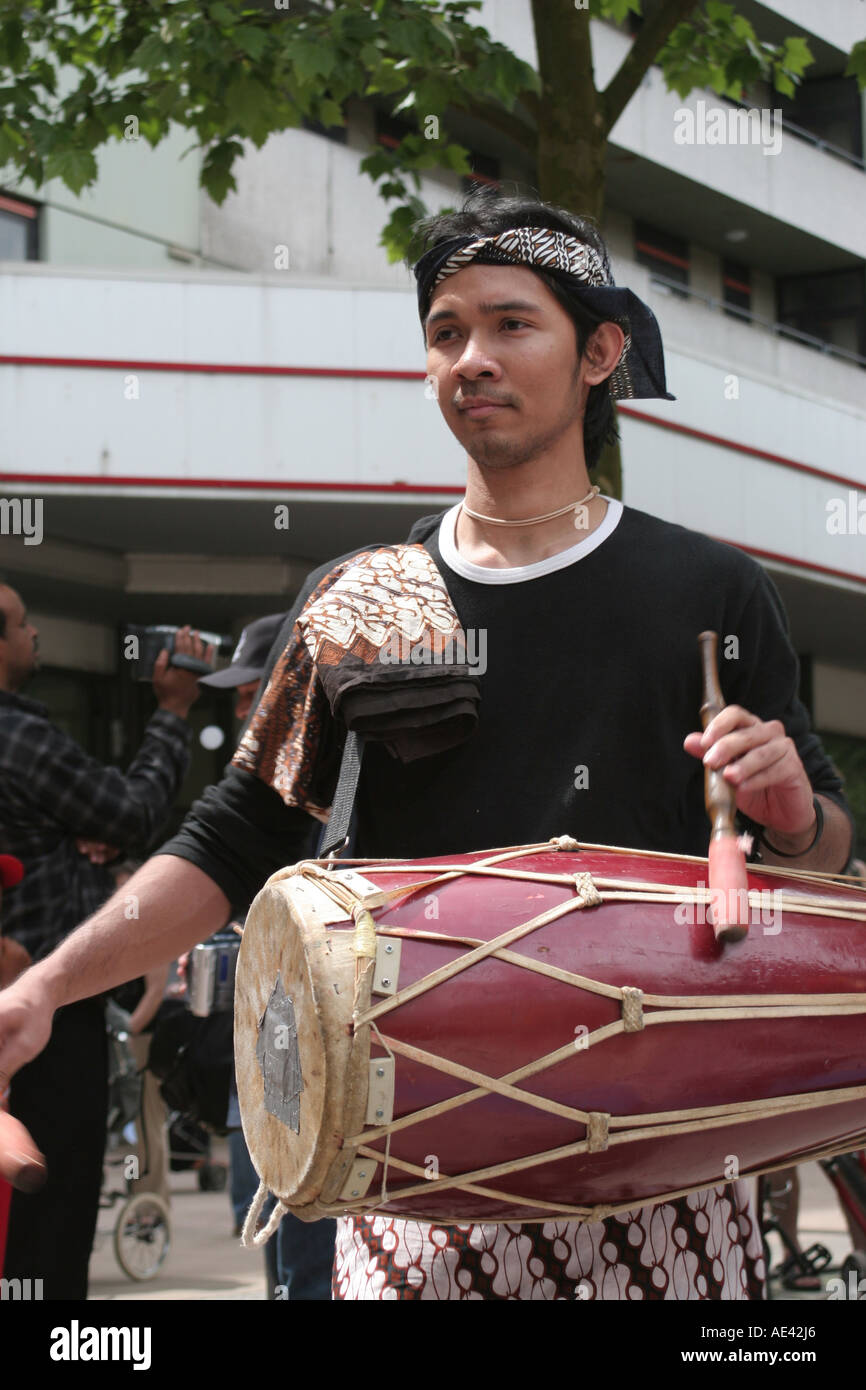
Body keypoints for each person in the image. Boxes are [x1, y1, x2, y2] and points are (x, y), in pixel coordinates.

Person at [0, 189, 856, 1302]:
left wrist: (789, 812)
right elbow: (233, 838)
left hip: (667, 1180)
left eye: (511, 324)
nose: (470, 360)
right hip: (411, 1185)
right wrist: (49, 988)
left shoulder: (706, 588)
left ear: (599, 351)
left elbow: (825, 855)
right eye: (444, 332)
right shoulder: (360, 600)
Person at [0, 588, 210, 1298]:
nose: (36, 637)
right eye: (25, 625)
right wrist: (173, 710)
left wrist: (65, 837)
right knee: (49, 1213)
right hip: (42, 1015)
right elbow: (133, 811)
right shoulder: (20, 738)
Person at [202, 612, 337, 1298]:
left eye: (248, 693)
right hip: (259, 1056)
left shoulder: (327, 793)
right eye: (230, 699)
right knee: (266, 1236)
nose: (240, 712)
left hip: (321, 1066)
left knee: (309, 1257)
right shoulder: (255, 802)